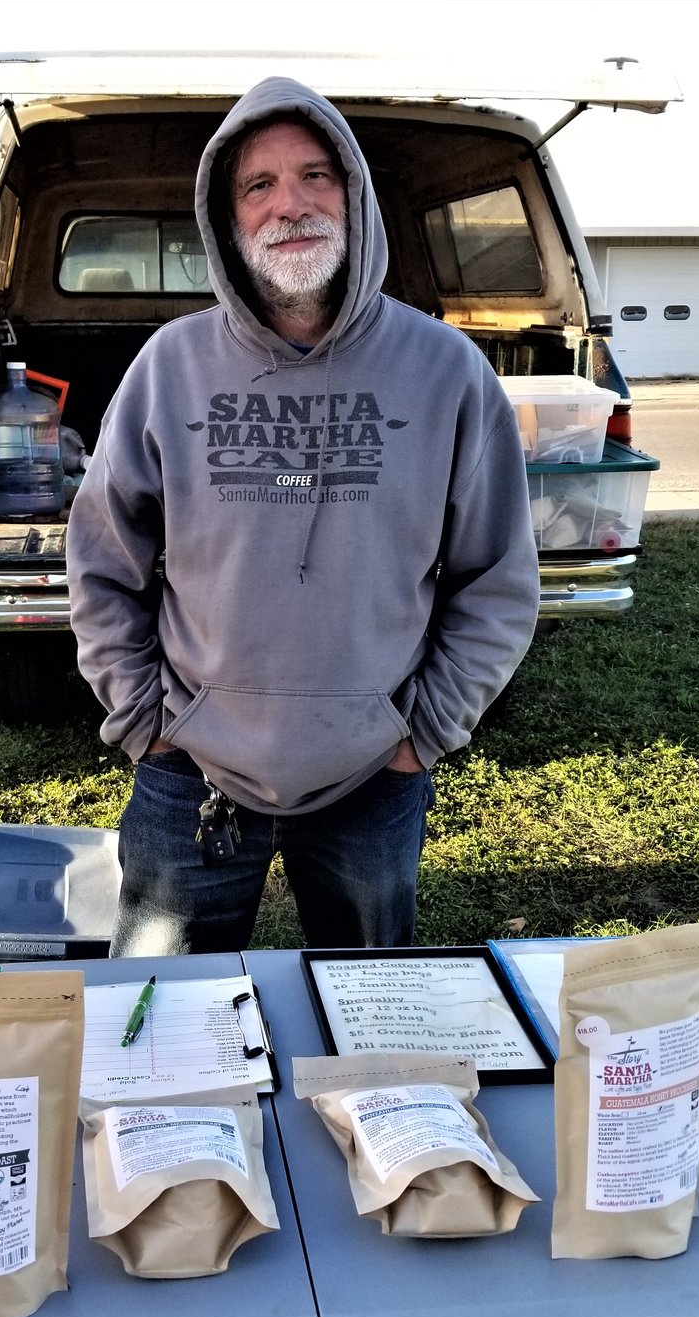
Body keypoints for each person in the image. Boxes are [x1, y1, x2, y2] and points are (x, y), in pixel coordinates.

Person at [67, 76, 539, 957]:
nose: (290, 203)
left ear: (352, 196)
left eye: (315, 176)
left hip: (374, 775)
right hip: (190, 770)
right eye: (260, 185)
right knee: (165, 1012)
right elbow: (101, 559)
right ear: (227, 219)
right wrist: (145, 724)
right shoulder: (168, 367)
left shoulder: (446, 372)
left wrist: (421, 734)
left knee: (366, 1010)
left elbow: (497, 578)